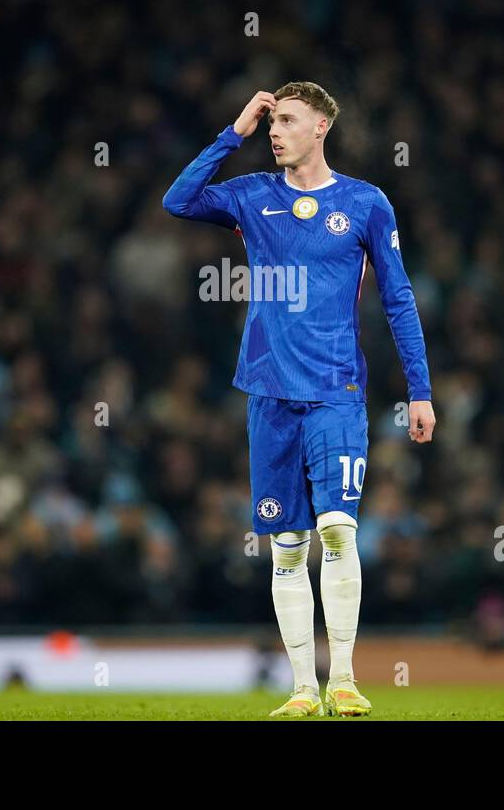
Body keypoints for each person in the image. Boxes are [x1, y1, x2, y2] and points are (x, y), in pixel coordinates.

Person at [164, 82, 435, 716]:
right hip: (268, 393)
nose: (274, 131)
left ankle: (343, 678)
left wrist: (420, 391)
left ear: (321, 127)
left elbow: (398, 298)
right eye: (270, 121)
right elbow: (177, 200)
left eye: (286, 120)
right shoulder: (252, 195)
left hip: (337, 391)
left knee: (337, 531)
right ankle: (302, 690)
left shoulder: (365, 203)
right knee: (287, 544)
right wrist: (234, 131)